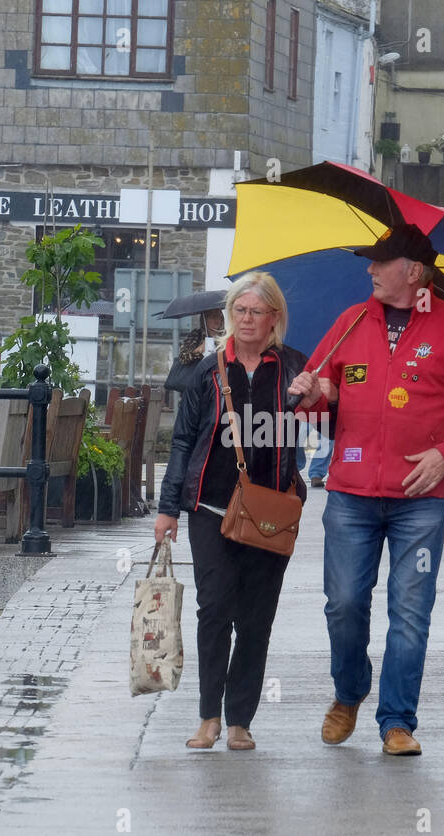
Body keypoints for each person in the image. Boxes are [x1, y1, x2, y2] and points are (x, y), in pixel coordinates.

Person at [289, 223, 444, 756]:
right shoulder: (350, 322)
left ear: (414, 271)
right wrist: (312, 392)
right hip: (351, 493)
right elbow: (323, 394)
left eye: (381, 262)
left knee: (410, 610)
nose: (370, 270)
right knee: (343, 605)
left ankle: (397, 721)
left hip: (421, 503)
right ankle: (348, 692)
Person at [154, 272, 310, 752]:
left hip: (270, 510)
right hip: (209, 507)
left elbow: (327, 423)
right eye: (239, 311)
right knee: (214, 609)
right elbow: (183, 441)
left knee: (256, 618)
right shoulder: (206, 371)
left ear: (274, 319)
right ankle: (209, 717)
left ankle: (241, 720)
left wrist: (316, 397)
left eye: (256, 311)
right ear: (229, 316)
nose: (246, 319)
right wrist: (167, 508)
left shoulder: (292, 369)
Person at [164, 307, 227, 394]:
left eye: (218, 315)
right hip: (196, 388)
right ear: (204, 319)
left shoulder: (226, 338)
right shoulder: (196, 335)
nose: (216, 318)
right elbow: (183, 357)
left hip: (220, 387)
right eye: (211, 316)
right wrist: (200, 349)